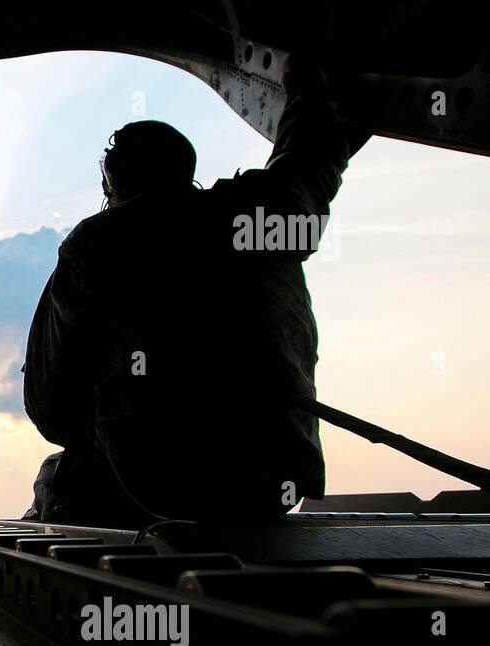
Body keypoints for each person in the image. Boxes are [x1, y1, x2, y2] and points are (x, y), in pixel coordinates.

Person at [22, 56, 369, 525]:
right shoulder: (262, 214)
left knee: (55, 482)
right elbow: (313, 154)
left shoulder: (96, 245)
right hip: (272, 483)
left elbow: (52, 408)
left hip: (156, 489)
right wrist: (304, 80)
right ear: (187, 169)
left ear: (113, 184)